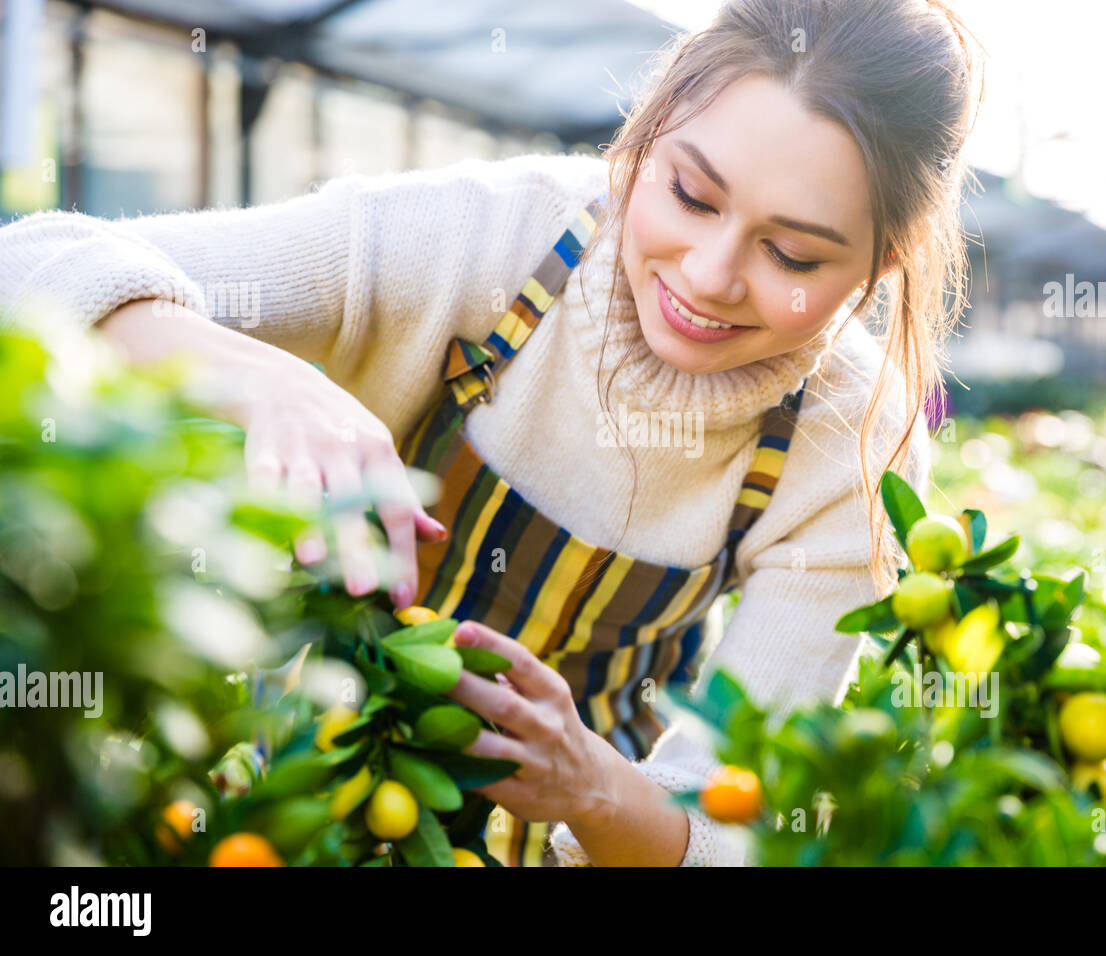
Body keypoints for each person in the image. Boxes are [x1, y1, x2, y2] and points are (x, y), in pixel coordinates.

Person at [0, 0, 983, 866]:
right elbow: (33, 262)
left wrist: (590, 785)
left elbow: (741, 824)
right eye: (689, 194)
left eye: (791, 252)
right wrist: (262, 378)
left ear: (880, 263)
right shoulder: (494, 236)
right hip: (279, 792)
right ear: (643, 139)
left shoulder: (855, 442)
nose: (711, 273)